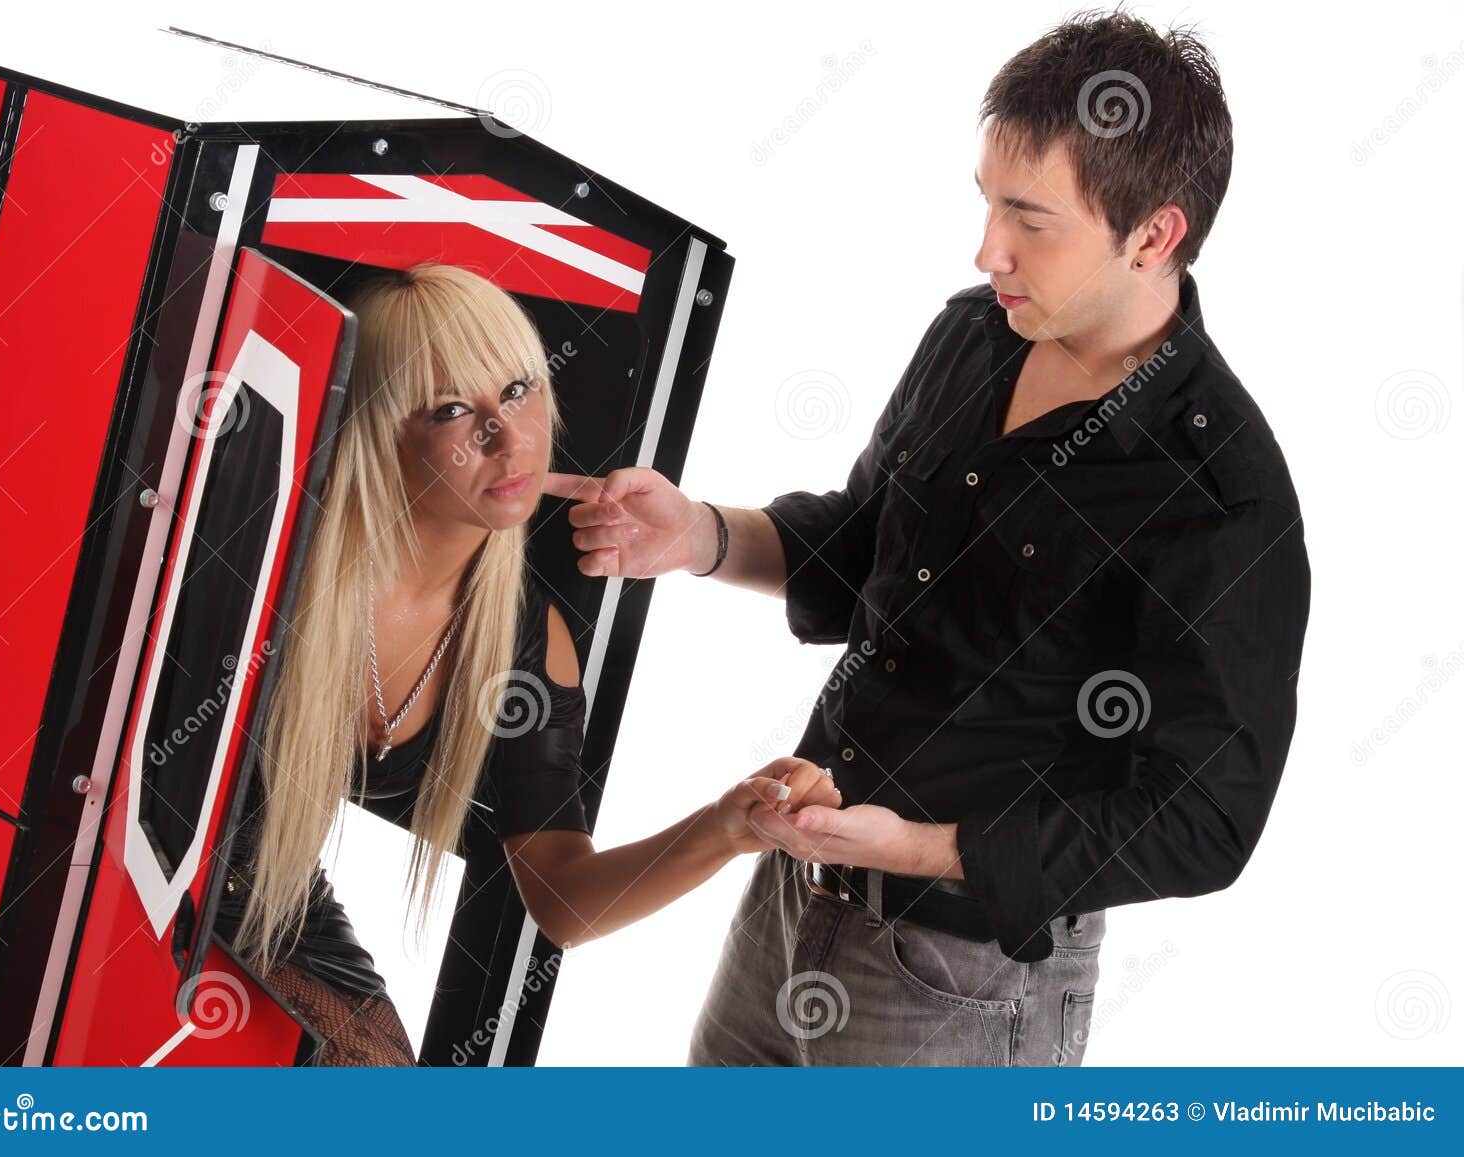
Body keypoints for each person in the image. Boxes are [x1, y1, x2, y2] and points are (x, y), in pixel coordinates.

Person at [545, 9, 1310, 1066]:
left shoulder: (1222, 495)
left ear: (1153, 234)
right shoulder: (971, 330)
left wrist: (920, 848)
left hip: (964, 982)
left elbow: (1206, 818)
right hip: (790, 893)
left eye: (1029, 219)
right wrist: (700, 536)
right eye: (987, 201)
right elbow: (868, 545)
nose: (986, 248)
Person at [211, 263, 840, 1066]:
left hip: (271, 894)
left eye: (518, 390)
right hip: (131, 838)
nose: (507, 437)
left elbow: (563, 897)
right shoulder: (273, 539)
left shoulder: (521, 644)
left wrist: (726, 826)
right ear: (379, 428)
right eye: (452, 410)